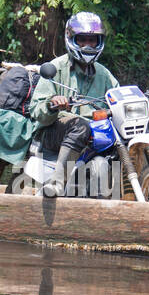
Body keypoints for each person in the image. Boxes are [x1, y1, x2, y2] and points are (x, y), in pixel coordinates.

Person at [27, 12, 121, 197]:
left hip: (92, 139)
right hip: (54, 134)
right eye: (82, 40)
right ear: (72, 40)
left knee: (114, 147)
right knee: (80, 125)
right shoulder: (56, 68)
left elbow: (119, 97)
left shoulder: (103, 74)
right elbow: (36, 110)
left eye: (92, 40)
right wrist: (52, 103)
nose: (88, 45)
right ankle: (57, 182)